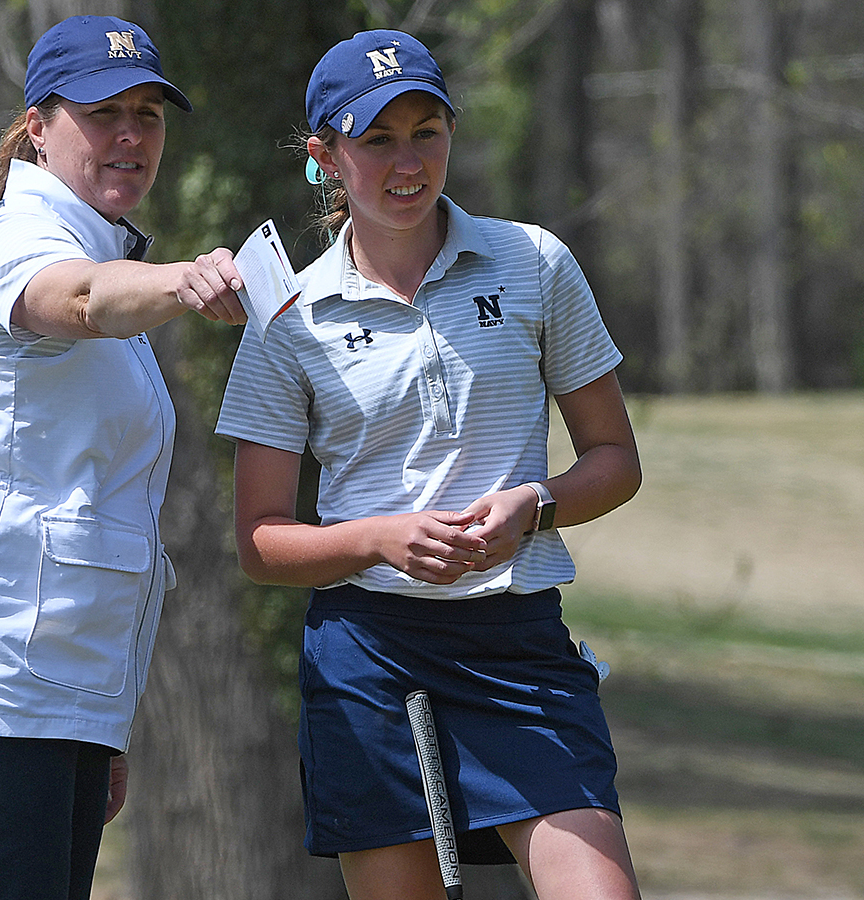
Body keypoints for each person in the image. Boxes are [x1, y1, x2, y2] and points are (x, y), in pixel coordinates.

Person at [215, 29, 643, 900]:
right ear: (325, 156)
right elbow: (260, 542)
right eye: (377, 140)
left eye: (427, 133)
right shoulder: (288, 320)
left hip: (518, 644)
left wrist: (535, 503)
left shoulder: (534, 263)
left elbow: (615, 458)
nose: (407, 163)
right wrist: (378, 539)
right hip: (369, 656)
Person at [0, 15, 245, 900]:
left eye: (149, 113)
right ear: (39, 125)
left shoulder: (102, 249)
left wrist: (99, 721)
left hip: (51, 687)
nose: (131, 135)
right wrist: (186, 279)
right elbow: (76, 300)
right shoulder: (9, 243)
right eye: (104, 114)